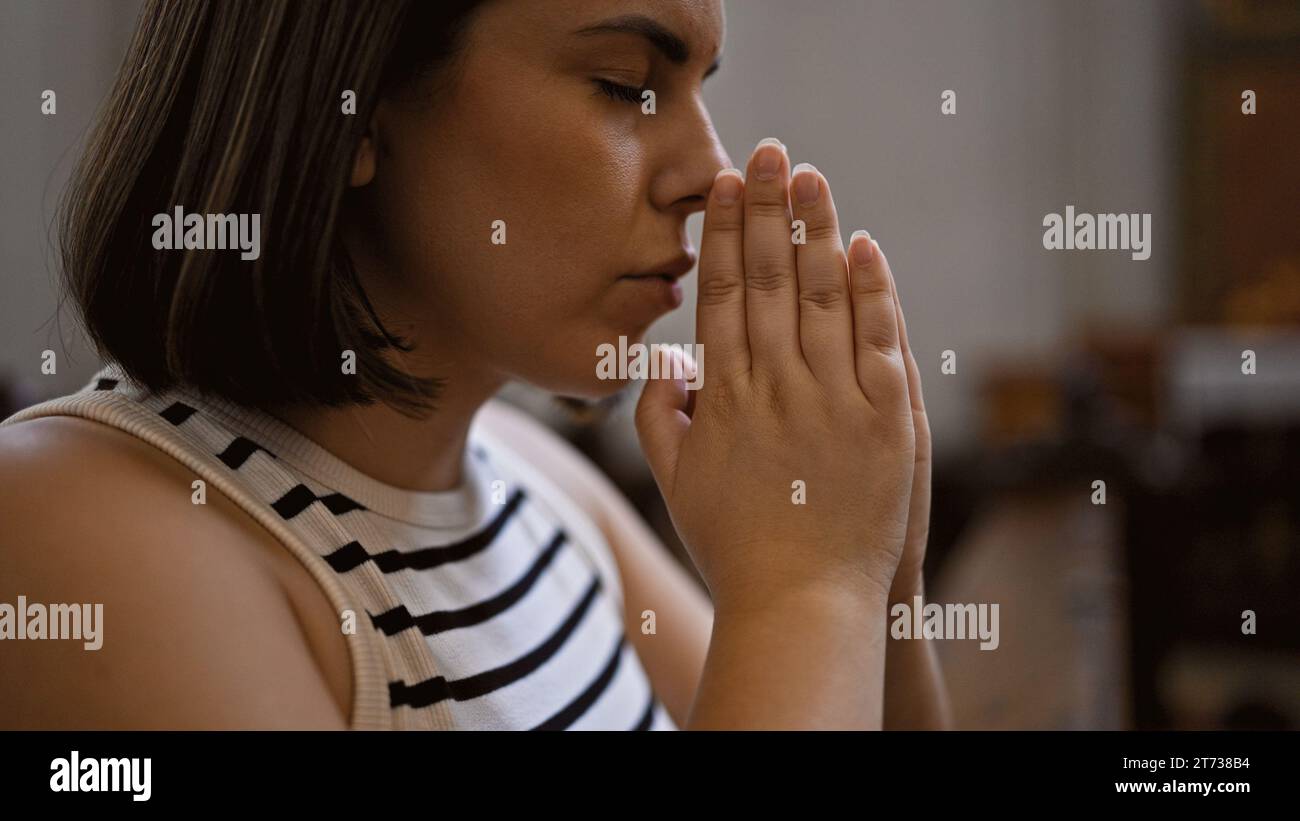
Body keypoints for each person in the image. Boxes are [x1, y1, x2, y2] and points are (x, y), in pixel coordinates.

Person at [0, 0, 949, 730]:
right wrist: (806, 587)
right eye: (625, 84)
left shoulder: (535, 482)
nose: (709, 169)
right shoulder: (64, 521)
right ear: (356, 110)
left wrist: (877, 573)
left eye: (702, 85)